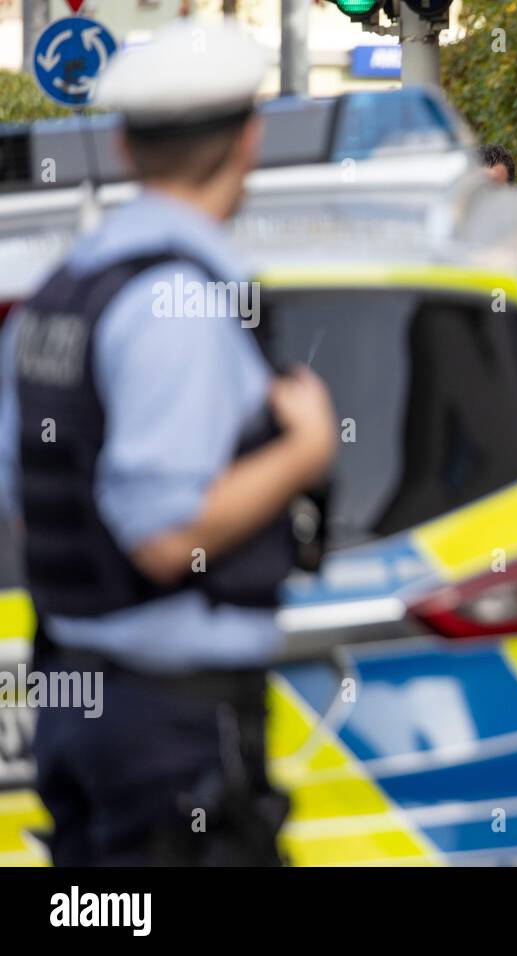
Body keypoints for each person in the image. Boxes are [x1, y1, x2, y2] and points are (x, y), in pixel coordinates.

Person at [0, 20, 339, 865]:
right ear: (250, 141)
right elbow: (165, 536)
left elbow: (23, 491)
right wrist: (303, 449)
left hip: (83, 709)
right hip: (167, 732)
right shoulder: (172, 304)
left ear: (121, 142)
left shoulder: (62, 290)